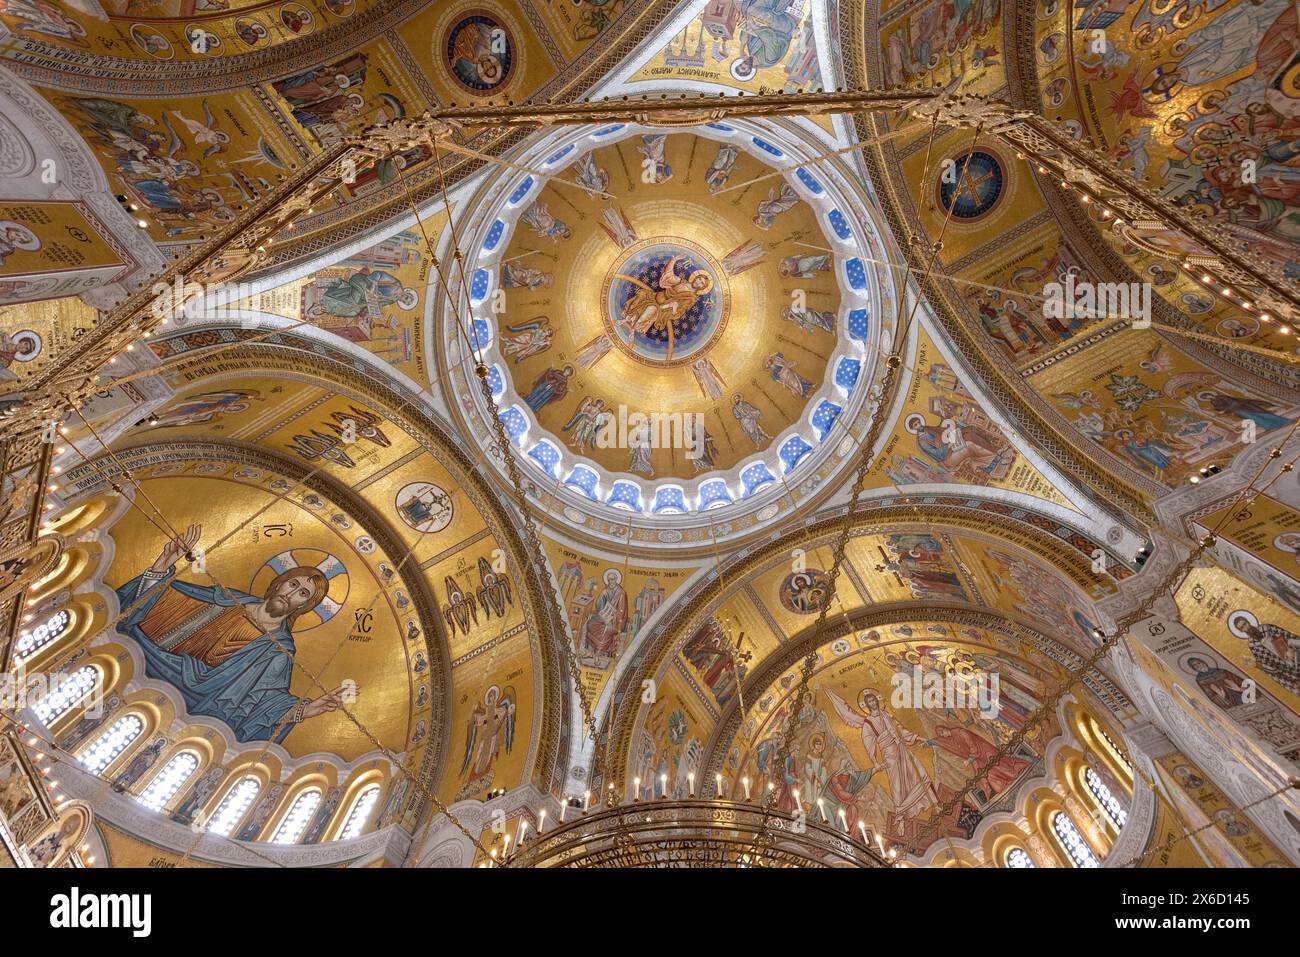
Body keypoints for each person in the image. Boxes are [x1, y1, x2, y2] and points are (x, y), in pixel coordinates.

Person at [115, 524, 351, 744]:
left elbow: (264, 702)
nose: (291, 594)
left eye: (303, 593)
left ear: (303, 606)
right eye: (293, 584)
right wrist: (161, 567)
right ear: (279, 583)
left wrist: (305, 710)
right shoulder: (224, 599)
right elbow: (156, 604)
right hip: (137, 673)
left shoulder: (278, 651)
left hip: (194, 714)